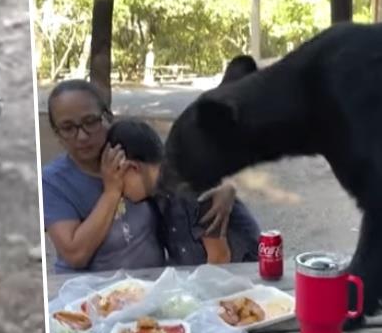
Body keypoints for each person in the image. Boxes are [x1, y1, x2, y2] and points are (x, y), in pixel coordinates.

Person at [41, 80, 238, 274]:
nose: (82, 136)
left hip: (150, 287)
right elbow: (75, 255)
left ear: (108, 117)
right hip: (88, 293)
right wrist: (112, 192)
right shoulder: (53, 182)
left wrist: (223, 187)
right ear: (57, 134)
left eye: (90, 122)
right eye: (68, 128)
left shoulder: (130, 147)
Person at [105, 119, 261, 265]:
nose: (119, 191)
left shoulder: (193, 185)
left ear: (132, 168)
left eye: (117, 178)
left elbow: (220, 259)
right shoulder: (156, 196)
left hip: (244, 276)